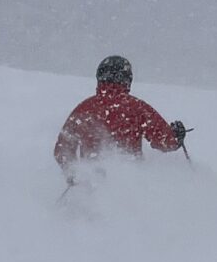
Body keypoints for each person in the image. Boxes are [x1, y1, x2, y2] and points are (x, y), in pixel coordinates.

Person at [55, 55, 187, 178]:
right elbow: (164, 141)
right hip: (131, 181)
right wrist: (176, 137)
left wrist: (73, 173)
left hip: (91, 182)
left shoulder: (84, 108)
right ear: (127, 79)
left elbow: (62, 150)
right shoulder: (137, 107)